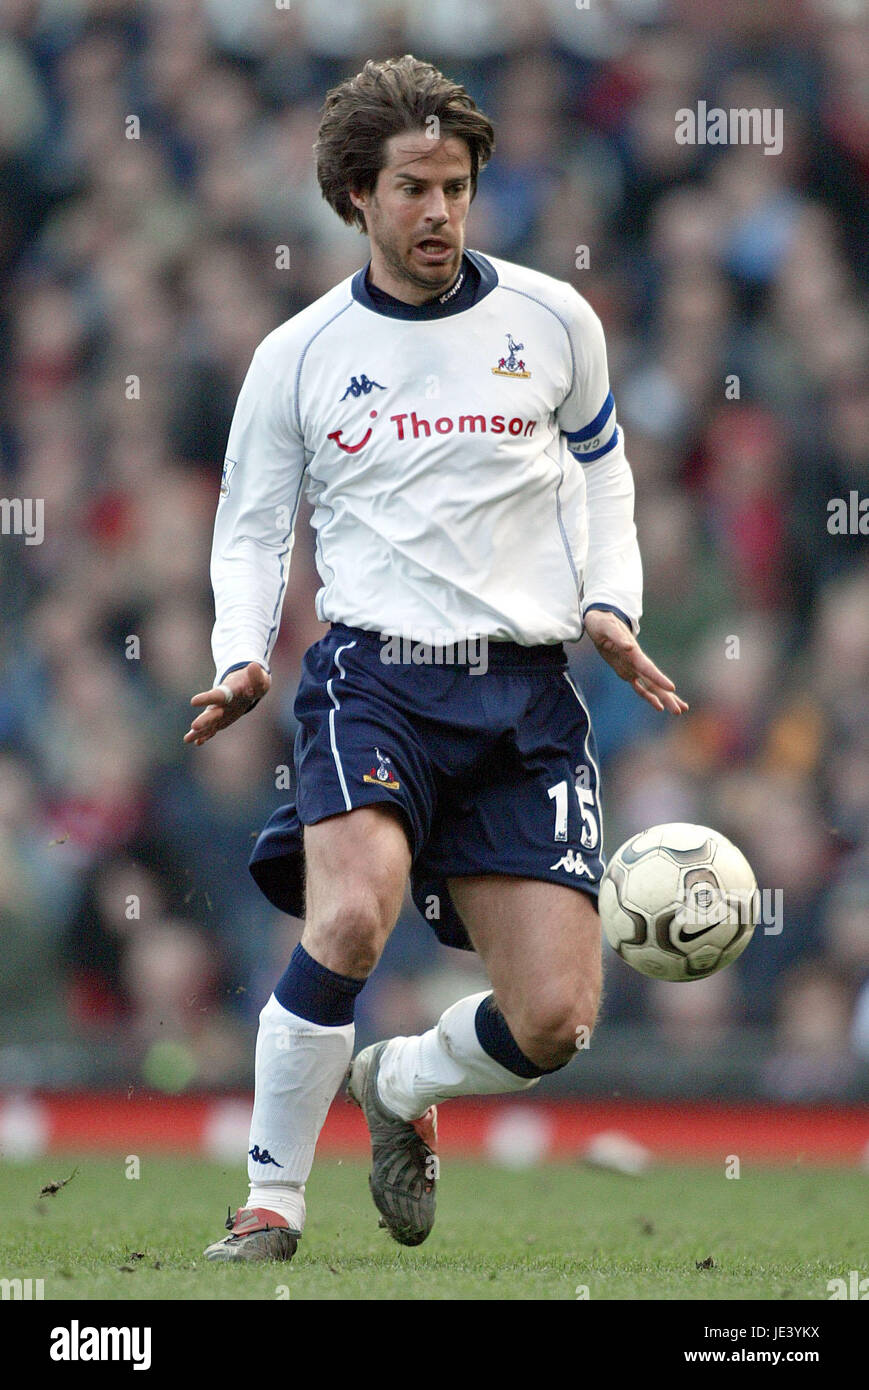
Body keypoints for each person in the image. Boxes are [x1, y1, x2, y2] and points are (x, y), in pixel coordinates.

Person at [184, 54, 687, 1262]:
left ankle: (399, 1082)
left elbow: (602, 473)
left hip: (524, 693)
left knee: (555, 1020)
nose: (438, 212)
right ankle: (270, 1200)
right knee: (352, 915)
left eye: (455, 186)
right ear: (357, 195)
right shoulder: (298, 353)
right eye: (411, 188)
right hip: (374, 679)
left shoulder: (552, 321)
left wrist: (609, 603)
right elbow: (250, 527)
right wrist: (242, 655)